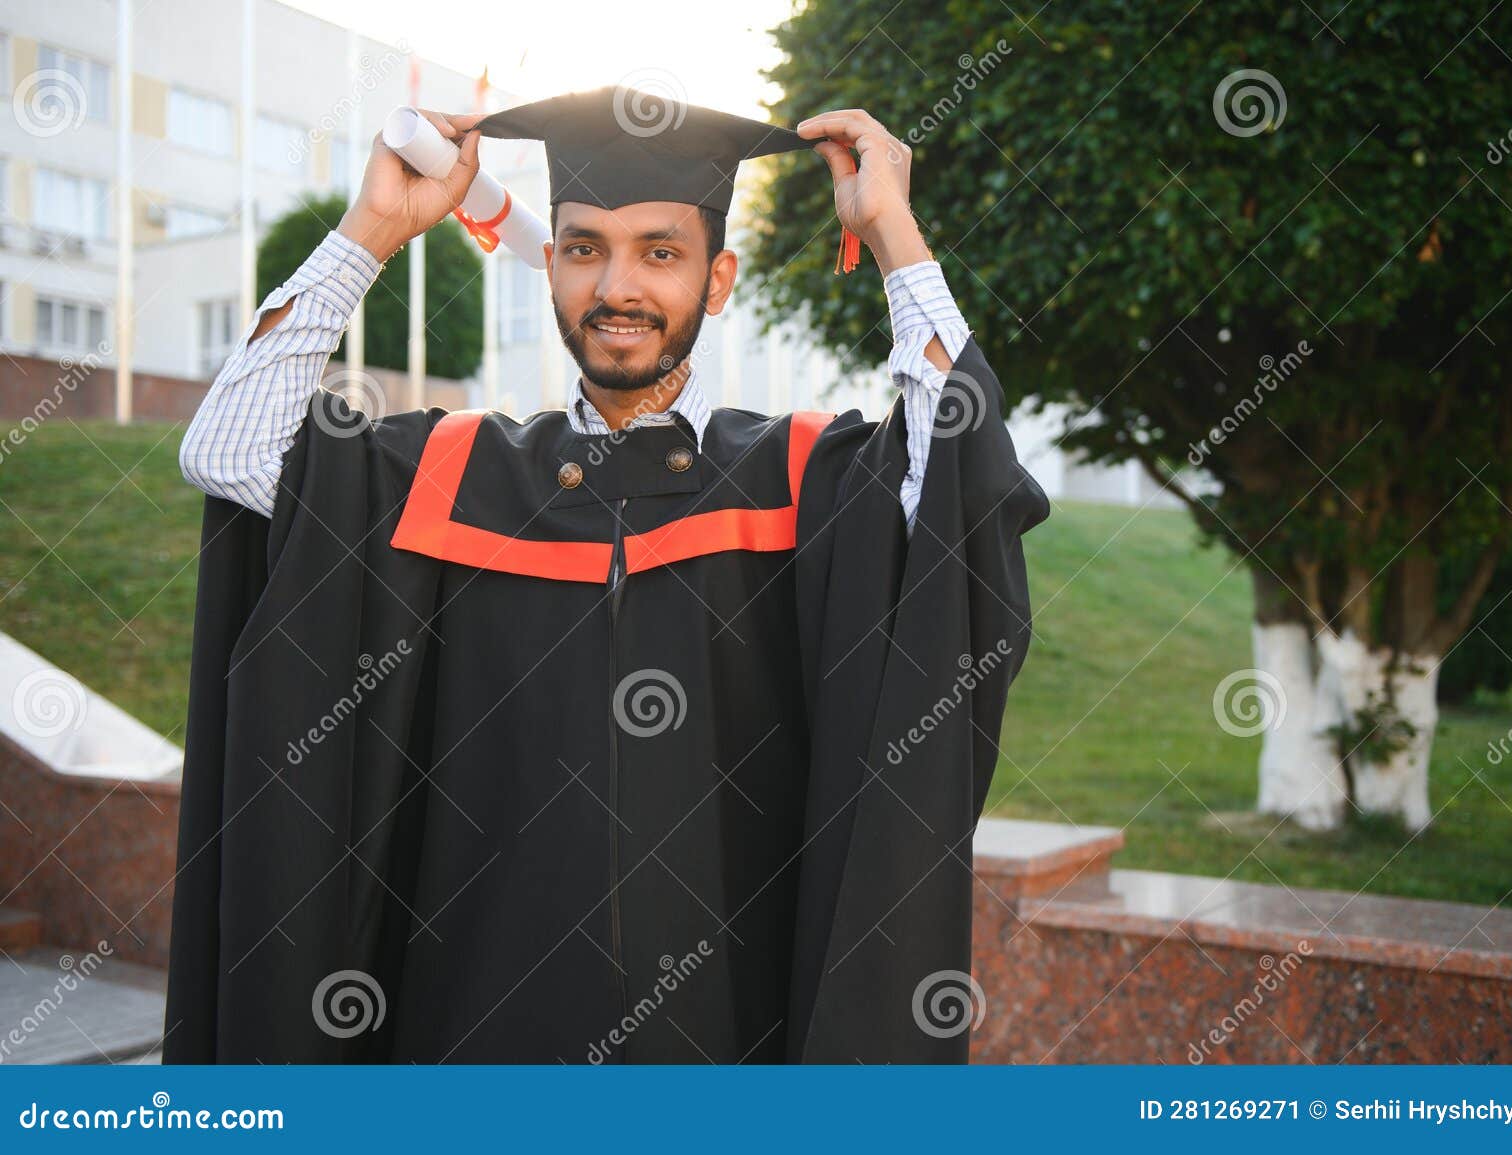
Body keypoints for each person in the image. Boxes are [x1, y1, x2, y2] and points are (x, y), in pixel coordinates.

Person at [164, 86, 1050, 1064]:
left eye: (658, 252)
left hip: (722, 1036)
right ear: (550, 266)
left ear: (718, 281)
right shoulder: (458, 470)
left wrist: (892, 233)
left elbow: (958, 483)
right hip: (471, 1031)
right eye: (584, 248)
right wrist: (371, 231)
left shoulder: (797, 478)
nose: (615, 287)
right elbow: (229, 451)